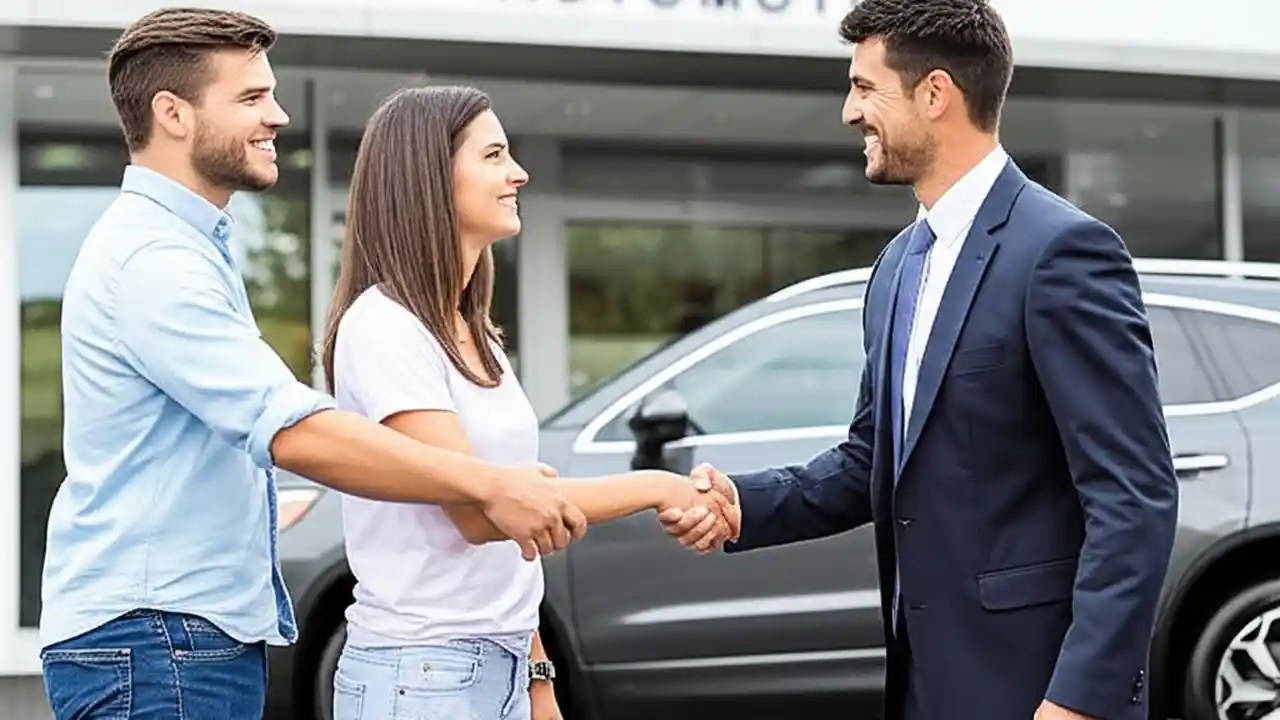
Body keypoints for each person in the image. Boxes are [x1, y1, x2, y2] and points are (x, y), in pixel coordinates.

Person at [36, 8, 649, 719]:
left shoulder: (186, 247)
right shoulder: (155, 260)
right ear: (172, 114)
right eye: (252, 97)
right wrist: (491, 483)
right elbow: (291, 428)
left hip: (175, 639)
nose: (279, 116)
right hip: (158, 641)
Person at [661, 1, 1179, 719]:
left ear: (935, 94)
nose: (849, 112)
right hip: (924, 683)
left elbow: (1133, 497)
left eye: (866, 88)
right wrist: (741, 504)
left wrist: (1079, 700)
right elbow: (871, 458)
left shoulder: (1063, 252)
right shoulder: (897, 266)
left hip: (1037, 689)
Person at [319, 84, 736, 720]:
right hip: (424, 676)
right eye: (493, 156)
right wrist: (659, 487)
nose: (518, 173)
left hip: (500, 665)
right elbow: (485, 513)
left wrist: (539, 677)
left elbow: (508, 550)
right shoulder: (385, 326)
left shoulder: (473, 330)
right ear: (430, 176)